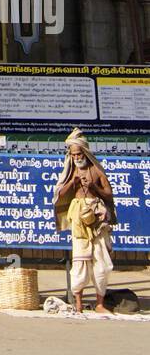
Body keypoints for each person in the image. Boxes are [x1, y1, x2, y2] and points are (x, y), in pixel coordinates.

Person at [53, 128, 117, 314]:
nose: (77, 157)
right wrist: (72, 185)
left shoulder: (96, 171)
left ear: (86, 153)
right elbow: (58, 195)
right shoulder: (70, 172)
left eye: (79, 154)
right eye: (73, 155)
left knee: (101, 261)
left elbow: (109, 195)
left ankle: (99, 304)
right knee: (80, 260)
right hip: (79, 218)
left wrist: (94, 188)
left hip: (97, 218)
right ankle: (78, 303)